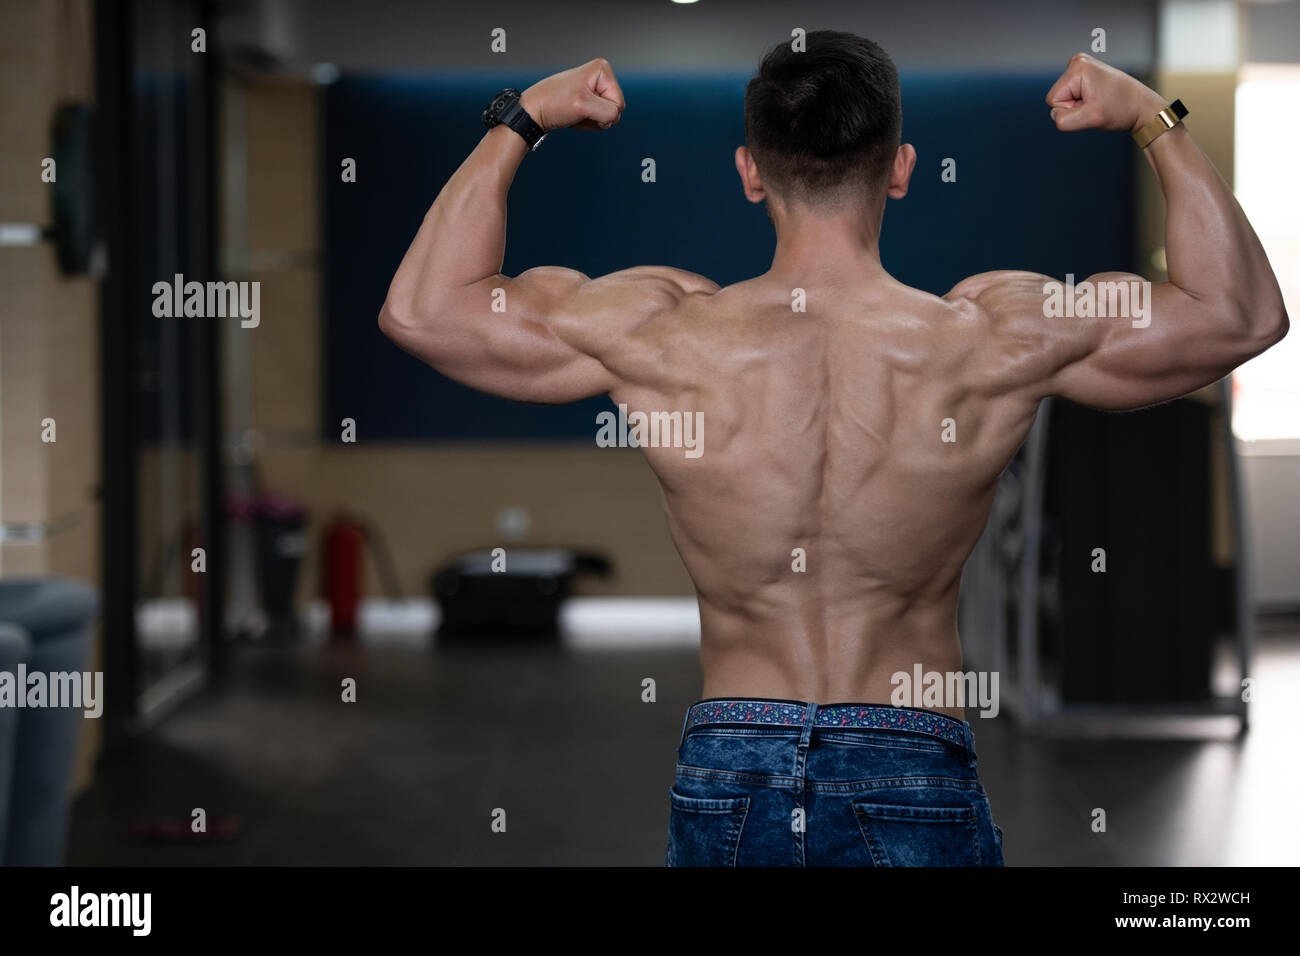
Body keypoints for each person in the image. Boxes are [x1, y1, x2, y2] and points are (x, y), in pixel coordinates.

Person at [379, 32, 1287, 866]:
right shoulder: (994, 333)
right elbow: (1239, 315)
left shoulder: (655, 331)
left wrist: (525, 116)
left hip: (734, 764)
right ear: (899, 170)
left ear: (748, 171)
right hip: (910, 752)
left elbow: (423, 308)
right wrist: (1148, 116)